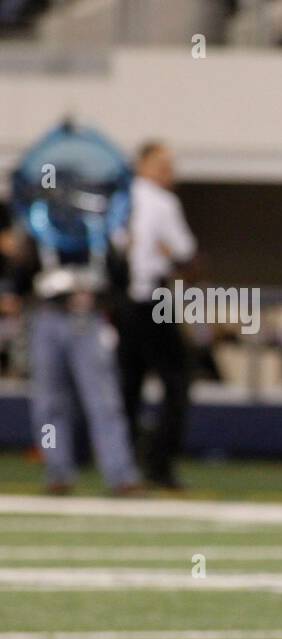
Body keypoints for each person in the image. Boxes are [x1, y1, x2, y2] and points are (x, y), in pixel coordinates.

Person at [9, 122, 141, 496]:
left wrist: (104, 297)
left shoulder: (97, 230)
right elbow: (23, 274)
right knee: (50, 403)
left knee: (103, 401)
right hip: (48, 316)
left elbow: (119, 276)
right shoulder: (40, 227)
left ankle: (120, 473)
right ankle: (58, 471)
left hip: (87, 318)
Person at [121, 141, 197, 490]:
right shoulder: (162, 202)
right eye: (163, 165)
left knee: (128, 385)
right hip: (153, 299)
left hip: (121, 301)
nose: (171, 173)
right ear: (144, 165)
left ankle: (123, 461)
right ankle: (158, 462)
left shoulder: (119, 198)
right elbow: (185, 250)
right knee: (177, 381)